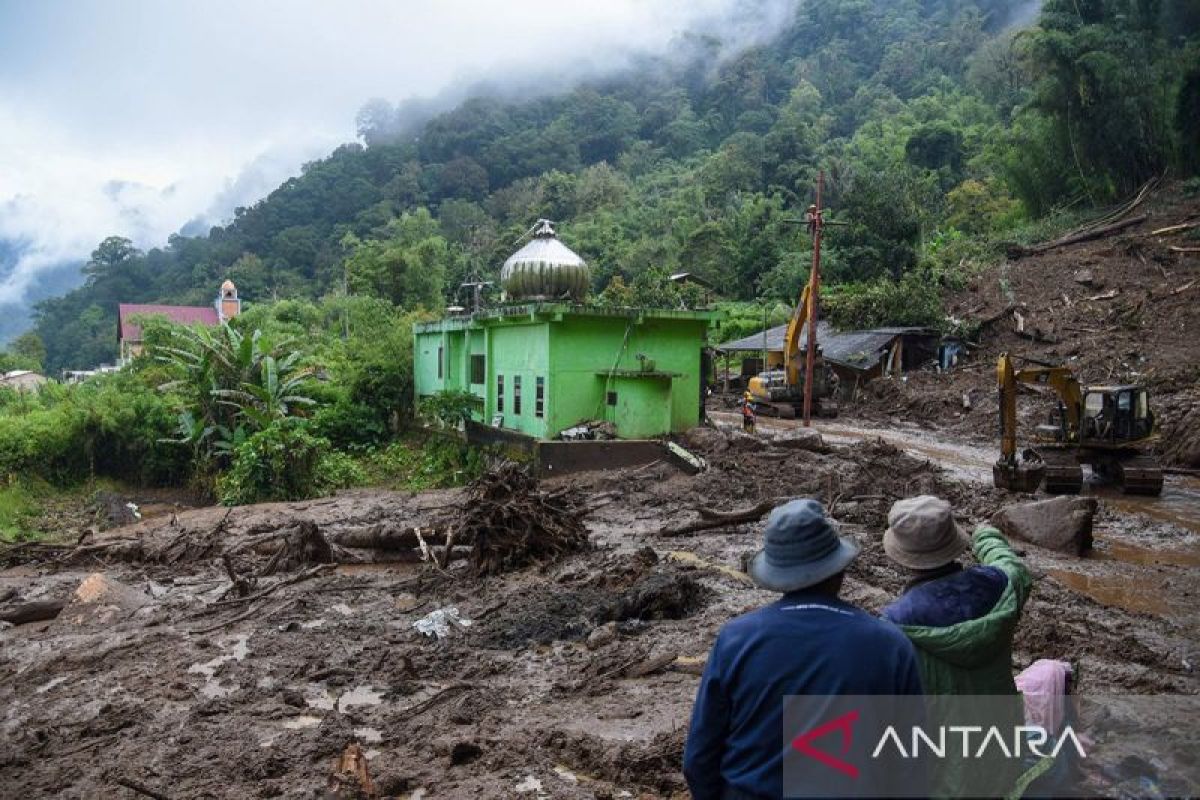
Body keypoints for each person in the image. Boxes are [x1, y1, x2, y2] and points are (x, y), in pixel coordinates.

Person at [683, 499, 923, 800]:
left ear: (775, 575)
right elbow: (911, 767)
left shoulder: (735, 640)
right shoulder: (890, 645)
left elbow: (699, 757)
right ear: (840, 570)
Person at [880, 495, 1033, 797]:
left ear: (900, 556)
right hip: (1001, 750)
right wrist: (986, 534)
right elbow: (1012, 565)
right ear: (954, 542)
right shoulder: (1001, 585)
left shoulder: (892, 625)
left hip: (941, 768)